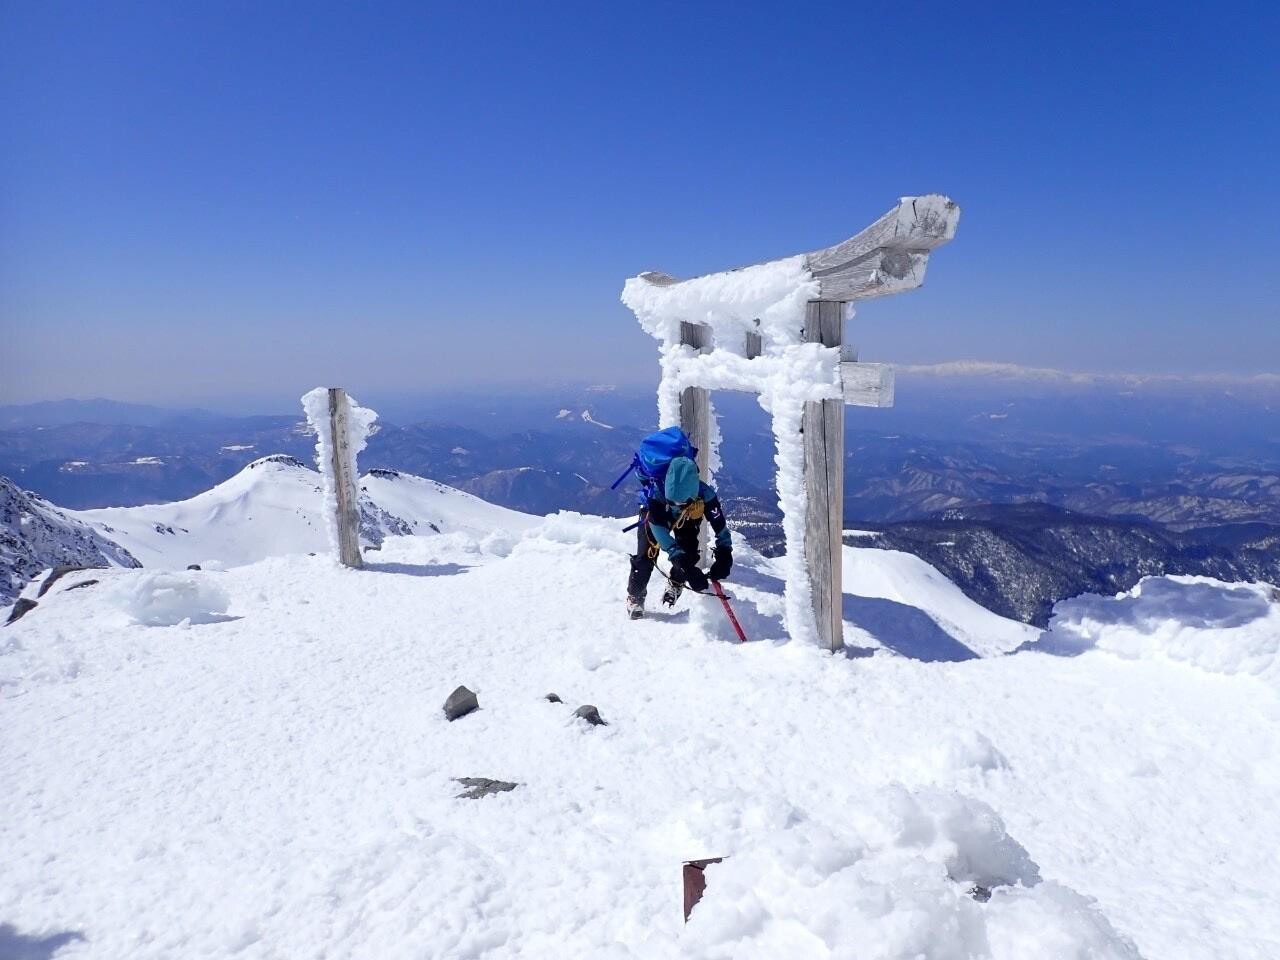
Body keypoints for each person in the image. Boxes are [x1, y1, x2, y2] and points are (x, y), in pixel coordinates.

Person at [626, 454, 733, 619]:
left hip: (687, 518)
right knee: (645, 557)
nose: (676, 505)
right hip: (657, 516)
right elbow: (658, 531)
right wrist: (680, 560)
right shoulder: (656, 495)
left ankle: (676, 583)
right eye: (673, 501)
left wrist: (724, 552)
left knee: (689, 553)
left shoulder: (705, 494)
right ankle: (635, 595)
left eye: (680, 502)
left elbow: (719, 525)